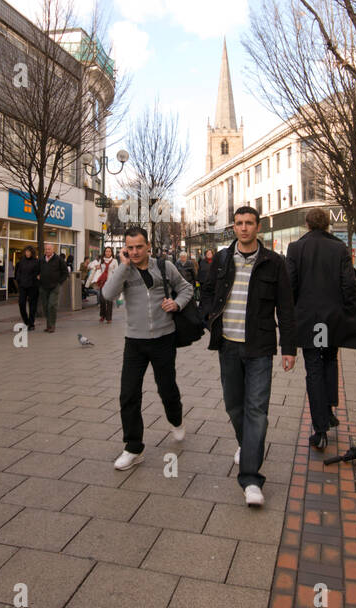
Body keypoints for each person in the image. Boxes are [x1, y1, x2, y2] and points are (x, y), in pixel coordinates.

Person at [200, 206, 297, 508]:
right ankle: (249, 445)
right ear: (234, 227)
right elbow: (207, 291)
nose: (243, 228)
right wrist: (207, 317)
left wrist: (290, 348)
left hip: (260, 347)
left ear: (258, 227)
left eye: (249, 223)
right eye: (239, 224)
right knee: (234, 407)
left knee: (257, 410)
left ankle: (251, 479)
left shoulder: (274, 263)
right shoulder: (222, 259)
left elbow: (287, 307)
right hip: (228, 345)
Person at [101, 227, 193, 471]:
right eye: (129, 248)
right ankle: (133, 447)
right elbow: (108, 294)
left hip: (164, 338)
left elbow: (186, 288)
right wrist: (123, 265)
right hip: (135, 341)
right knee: (128, 394)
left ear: (148, 246)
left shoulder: (164, 267)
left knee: (167, 388)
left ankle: (176, 419)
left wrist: (177, 303)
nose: (134, 252)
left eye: (139, 247)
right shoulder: (124, 269)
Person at [286, 208, 356, 451]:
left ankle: (320, 428)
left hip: (309, 320)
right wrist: (350, 312)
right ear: (328, 224)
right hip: (332, 319)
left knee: (314, 370)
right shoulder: (339, 248)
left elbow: (291, 285)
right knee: (330, 360)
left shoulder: (296, 248)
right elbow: (349, 284)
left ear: (307, 224)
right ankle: (329, 410)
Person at [39, 242, 70, 333]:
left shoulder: (58, 259)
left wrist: (59, 283)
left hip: (54, 287)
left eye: (49, 249)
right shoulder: (41, 260)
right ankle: (48, 325)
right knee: (45, 306)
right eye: (46, 249)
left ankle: (52, 325)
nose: (47, 251)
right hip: (43, 286)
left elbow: (65, 272)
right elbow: (37, 271)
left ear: (53, 250)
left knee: (52, 305)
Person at [15, 247, 41, 330]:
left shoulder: (37, 262)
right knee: (21, 303)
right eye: (26, 252)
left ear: (32, 253)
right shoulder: (21, 262)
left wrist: (37, 280)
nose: (27, 253)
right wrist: (19, 281)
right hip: (23, 286)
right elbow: (18, 272)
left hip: (33, 286)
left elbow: (39, 273)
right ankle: (26, 321)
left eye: (29, 252)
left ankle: (31, 324)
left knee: (32, 306)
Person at [91, 248, 116, 324]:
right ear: (104, 252)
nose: (108, 253)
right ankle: (102, 315)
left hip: (110, 282)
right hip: (103, 282)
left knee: (109, 301)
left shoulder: (115, 261)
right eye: (106, 251)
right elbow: (97, 269)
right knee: (102, 300)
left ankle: (109, 318)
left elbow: (117, 271)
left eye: (109, 251)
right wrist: (96, 268)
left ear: (111, 253)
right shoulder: (101, 261)